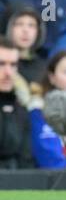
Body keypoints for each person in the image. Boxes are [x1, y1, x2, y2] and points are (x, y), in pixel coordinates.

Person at [0, 35, 34, 169]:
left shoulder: (21, 107)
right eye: (1, 64)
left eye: (13, 65)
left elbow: (26, 160)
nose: (8, 72)